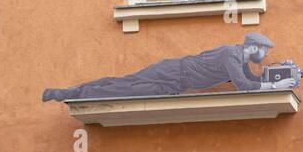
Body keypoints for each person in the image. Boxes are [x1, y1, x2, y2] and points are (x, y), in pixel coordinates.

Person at [42, 32, 290, 101]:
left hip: (174, 78)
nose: (265, 55)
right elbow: (245, 86)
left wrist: (283, 70)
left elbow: (253, 80)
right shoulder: (230, 55)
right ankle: (71, 93)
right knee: (126, 89)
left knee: (124, 84)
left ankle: (68, 92)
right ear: (254, 46)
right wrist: (276, 85)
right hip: (170, 74)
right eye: (265, 51)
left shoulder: (239, 59)